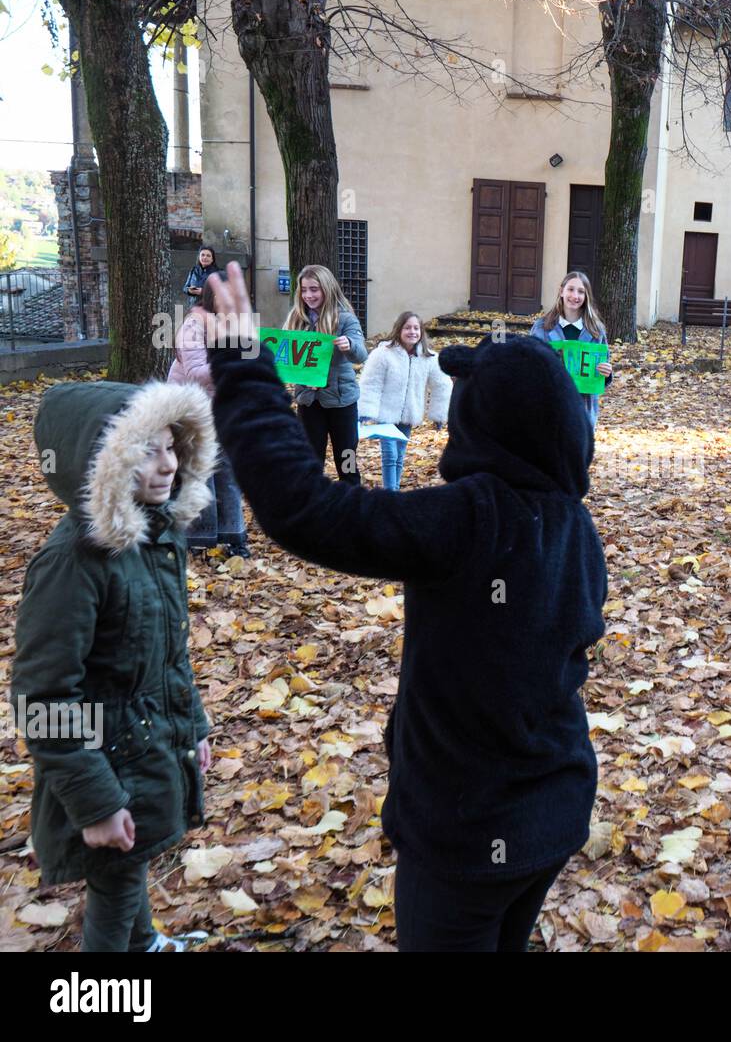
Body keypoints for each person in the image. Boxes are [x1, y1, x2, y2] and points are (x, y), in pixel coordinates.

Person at [204, 263, 606, 952]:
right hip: (555, 812)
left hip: (467, 834)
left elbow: (307, 508)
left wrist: (244, 368)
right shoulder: (577, 528)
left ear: (487, 423)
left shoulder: (466, 519)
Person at [12, 379, 217, 952]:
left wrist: (193, 726)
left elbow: (169, 653)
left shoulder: (156, 539)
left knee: (133, 859)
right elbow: (43, 695)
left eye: (172, 446)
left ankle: (144, 942)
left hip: (149, 744)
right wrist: (96, 800)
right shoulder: (73, 563)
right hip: (106, 762)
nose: (167, 464)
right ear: (100, 462)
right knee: (116, 879)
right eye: (145, 451)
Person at [167, 273, 250, 556]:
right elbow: (196, 374)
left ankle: (233, 538)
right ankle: (200, 541)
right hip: (191, 411)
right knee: (200, 475)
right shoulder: (193, 325)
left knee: (228, 474)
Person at [286, 265, 368, 484]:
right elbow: (287, 357)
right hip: (309, 401)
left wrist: (349, 344)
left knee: (347, 459)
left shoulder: (345, 319)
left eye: (314, 289)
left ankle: (353, 503)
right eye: (304, 290)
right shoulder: (297, 318)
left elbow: (361, 354)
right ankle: (311, 510)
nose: (308, 295)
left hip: (342, 401)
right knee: (310, 462)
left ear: (327, 289)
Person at [357, 311, 452, 491]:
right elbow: (371, 382)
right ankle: (390, 493)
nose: (412, 332)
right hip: (386, 413)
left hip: (409, 414)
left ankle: (395, 489)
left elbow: (442, 384)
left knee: (400, 455)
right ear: (399, 329)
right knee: (390, 454)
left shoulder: (428, 357)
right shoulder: (383, 354)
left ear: (421, 331)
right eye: (407, 327)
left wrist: (439, 414)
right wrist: (365, 411)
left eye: (416, 328)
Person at [529, 271, 614, 430]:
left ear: (586, 296)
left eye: (581, 291)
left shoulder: (596, 330)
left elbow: (602, 368)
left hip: (582, 410)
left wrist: (606, 372)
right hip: (549, 408)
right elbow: (529, 367)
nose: (575, 295)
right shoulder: (541, 328)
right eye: (571, 289)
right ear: (561, 291)